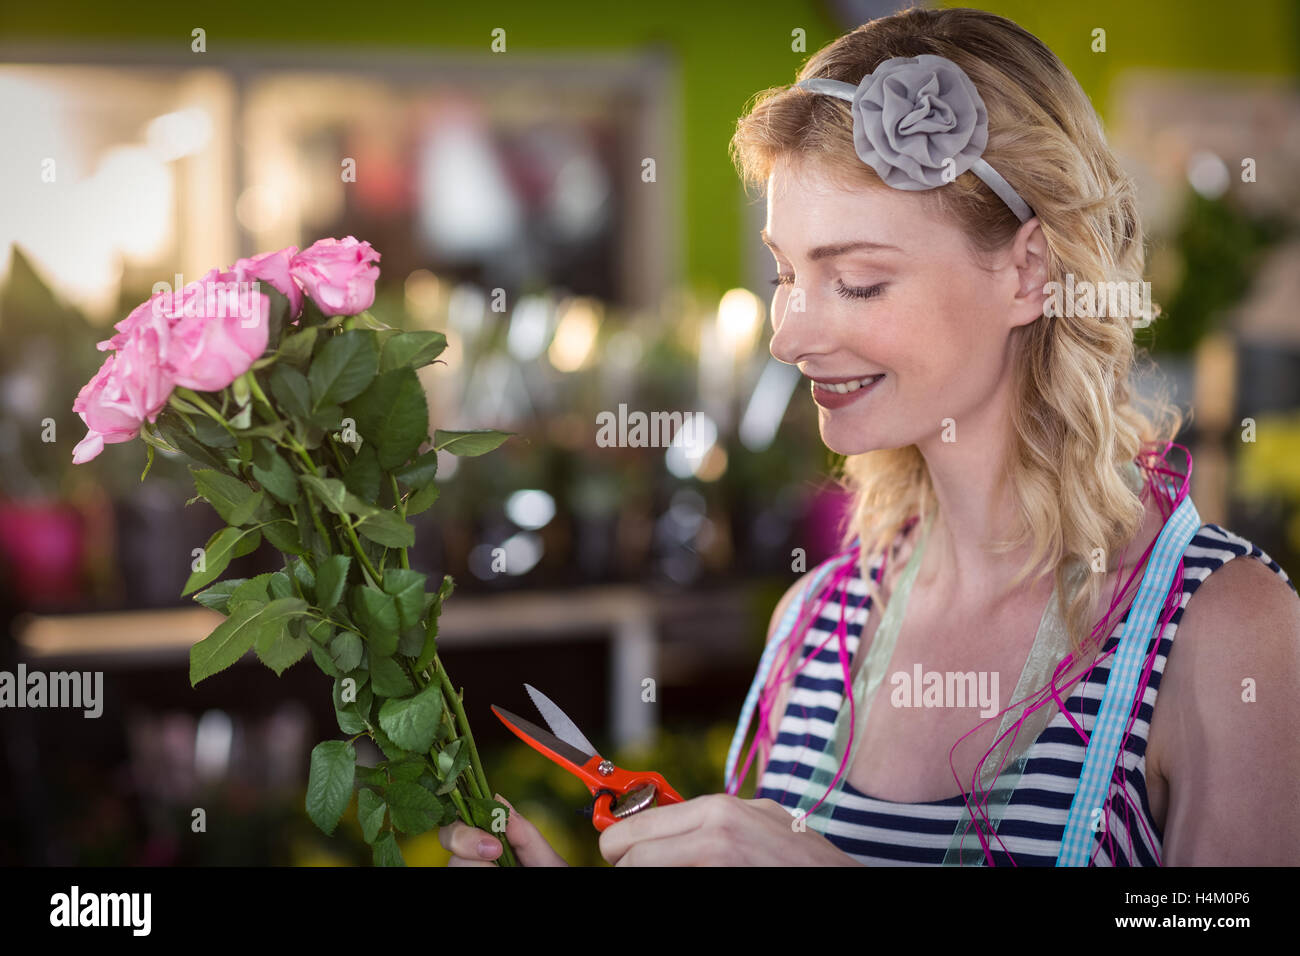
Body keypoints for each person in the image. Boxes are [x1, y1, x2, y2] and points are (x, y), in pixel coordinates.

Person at [441, 6, 1300, 867]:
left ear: (1030, 272)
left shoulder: (1225, 631)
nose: (788, 336)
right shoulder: (815, 625)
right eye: (785, 273)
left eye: (856, 281)